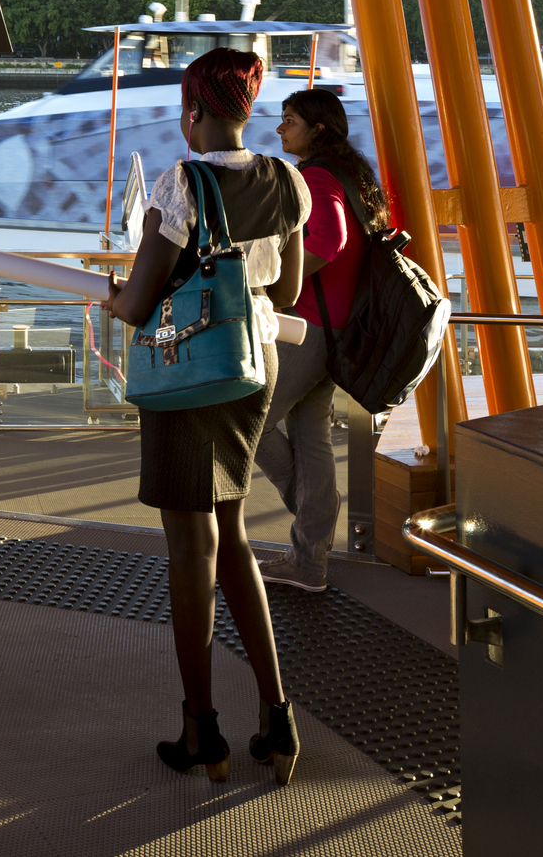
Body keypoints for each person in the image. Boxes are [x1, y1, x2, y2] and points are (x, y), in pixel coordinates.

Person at [106, 47, 309, 787]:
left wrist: (115, 295)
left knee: (192, 547)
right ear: (245, 110)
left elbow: (136, 304)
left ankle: (203, 728)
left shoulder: (181, 182)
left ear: (194, 111)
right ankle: (278, 716)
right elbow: (286, 291)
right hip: (253, 368)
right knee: (234, 539)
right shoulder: (287, 180)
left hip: (189, 373)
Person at [257, 88, 390, 592]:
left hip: (308, 328)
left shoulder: (315, 175)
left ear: (317, 128)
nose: (279, 130)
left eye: (289, 121)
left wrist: (272, 287)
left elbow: (328, 243)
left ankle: (314, 532)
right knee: (310, 438)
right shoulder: (352, 175)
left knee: (250, 422)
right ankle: (309, 562)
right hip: (336, 329)